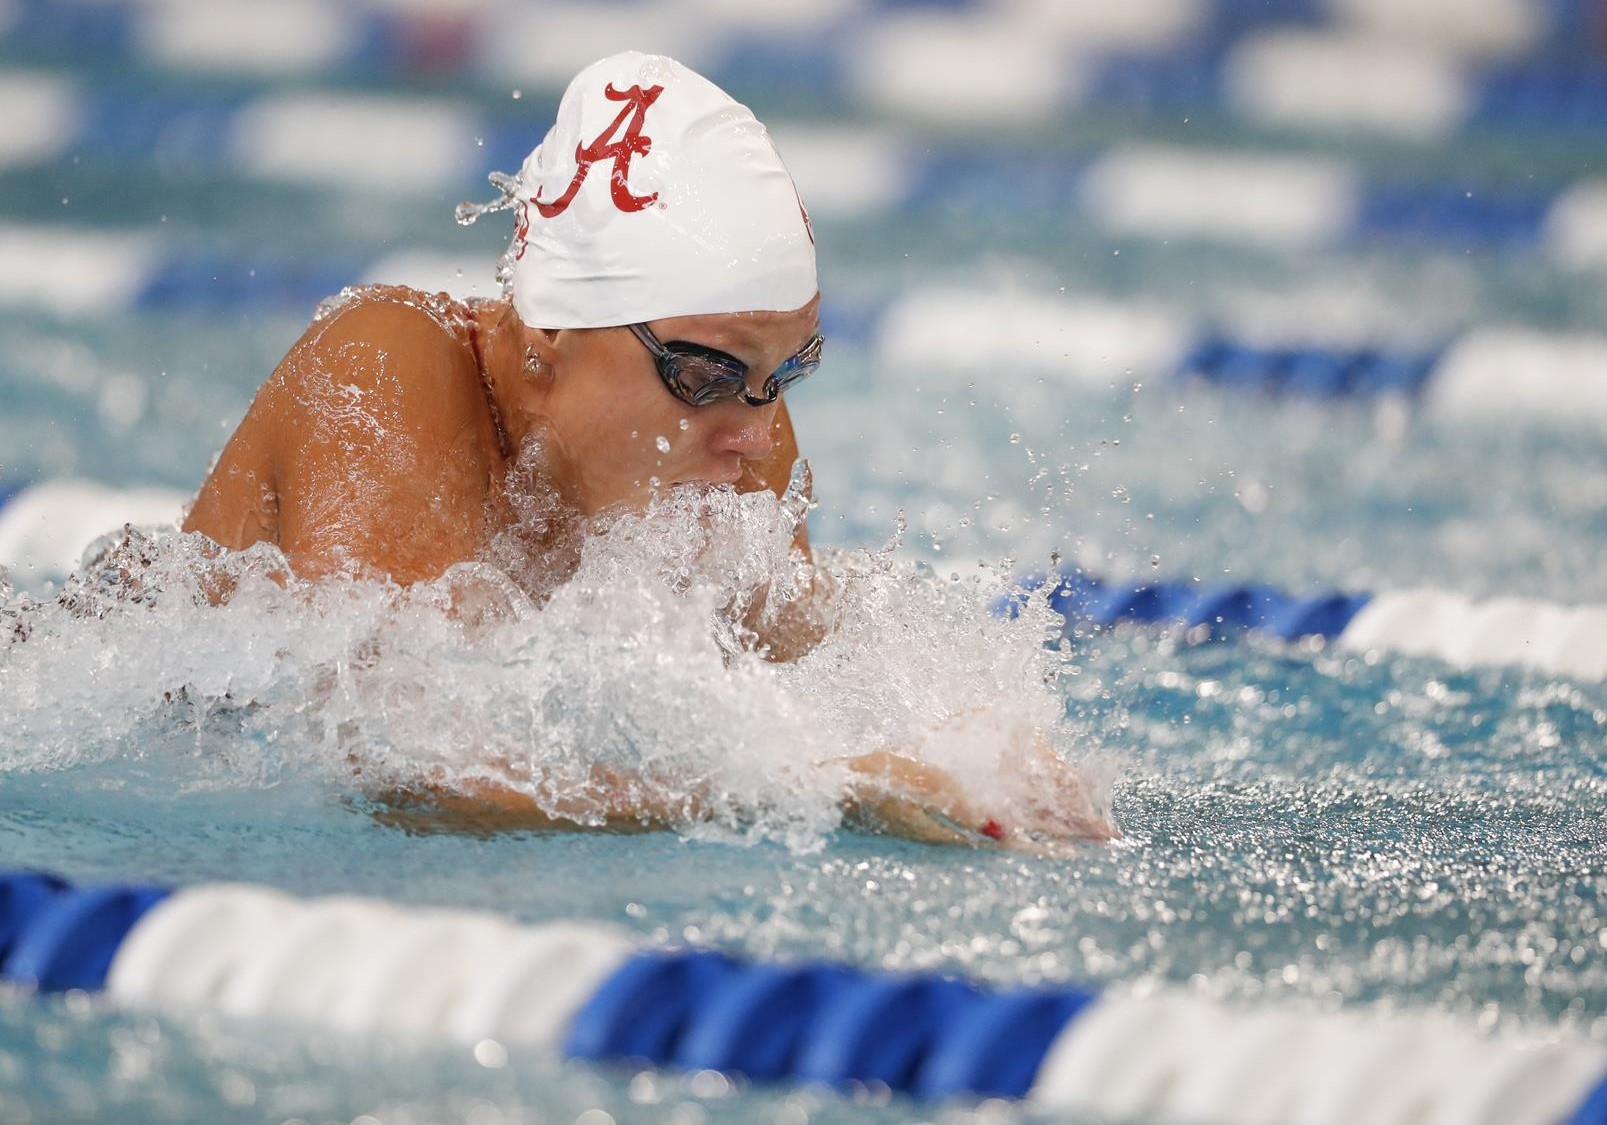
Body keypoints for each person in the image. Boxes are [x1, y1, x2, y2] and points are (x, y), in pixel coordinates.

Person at [181, 51, 1114, 849]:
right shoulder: (388, 368)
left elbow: (800, 663)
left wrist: (961, 748)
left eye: (786, 375)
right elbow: (408, 769)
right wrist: (815, 789)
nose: (755, 435)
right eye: (704, 374)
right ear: (550, 330)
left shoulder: (735, 428)